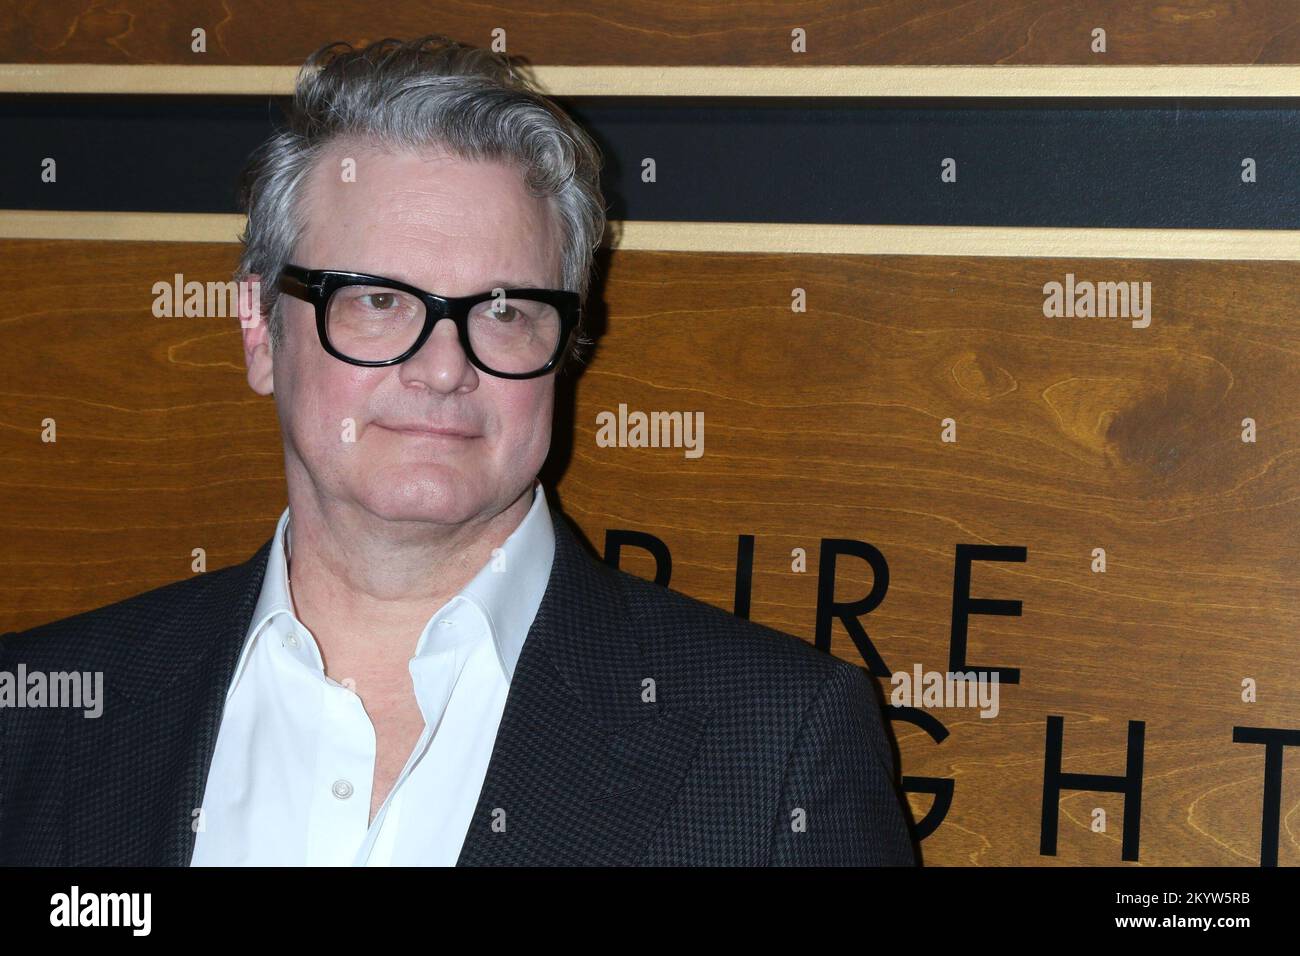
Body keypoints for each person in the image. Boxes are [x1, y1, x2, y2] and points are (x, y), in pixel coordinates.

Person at [0, 35, 915, 866]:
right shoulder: (38, 715)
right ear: (257, 326)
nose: (444, 368)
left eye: (505, 311)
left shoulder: (774, 744)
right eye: (379, 301)